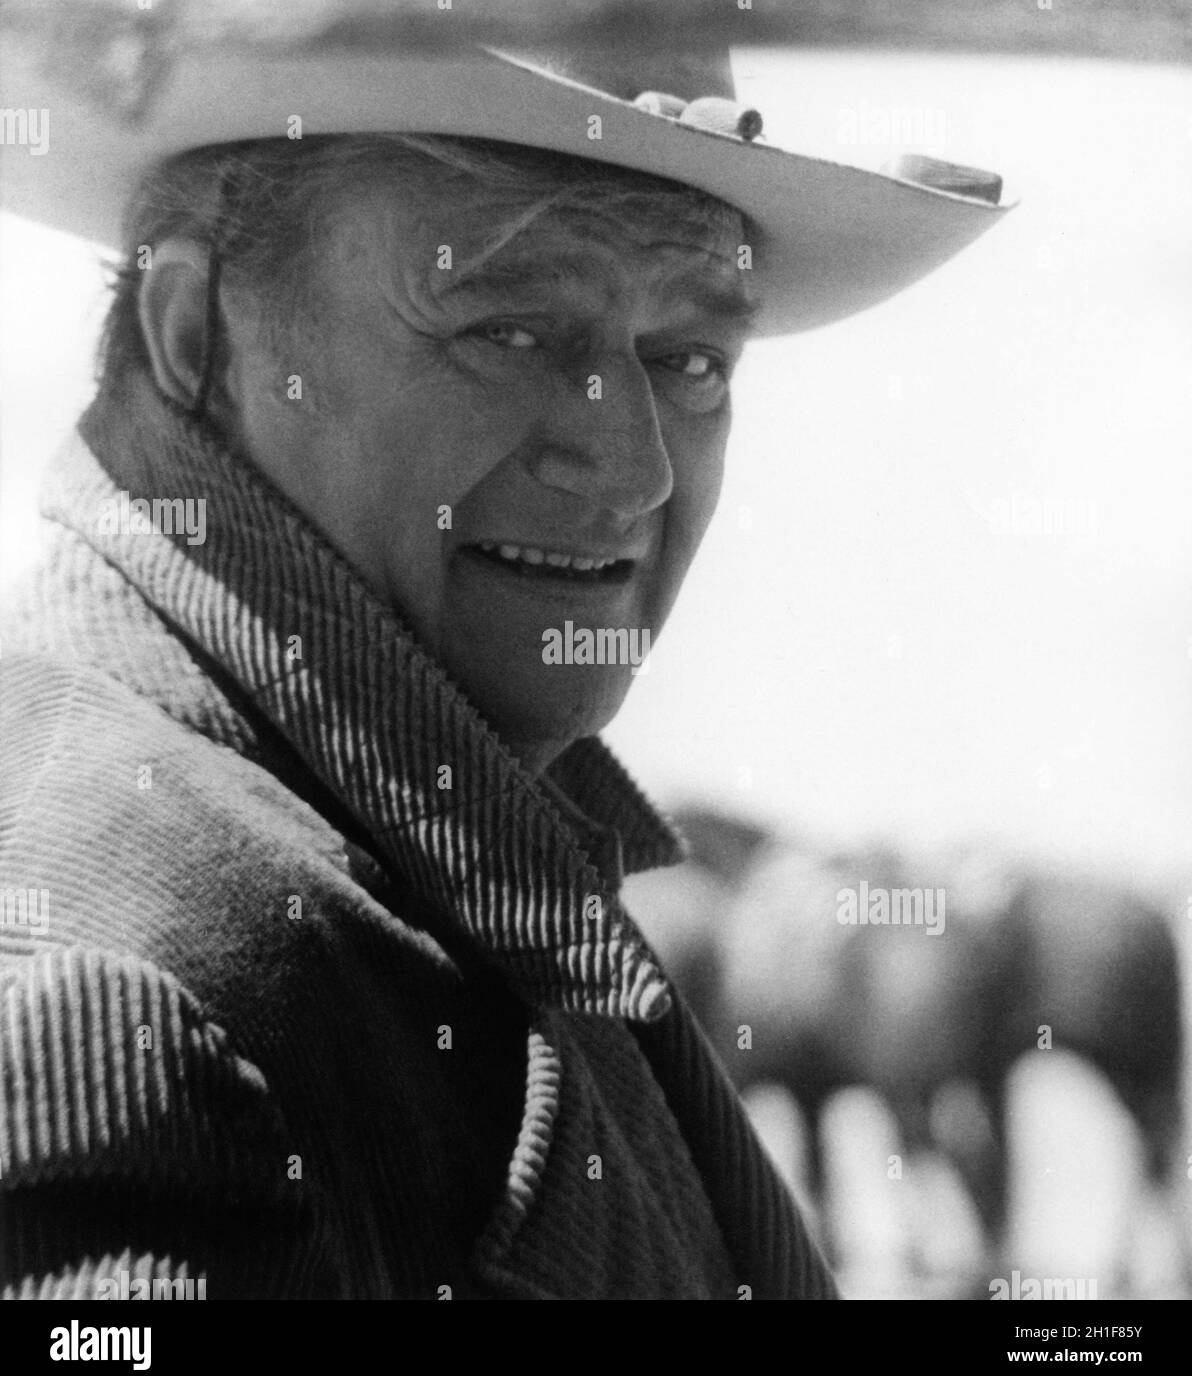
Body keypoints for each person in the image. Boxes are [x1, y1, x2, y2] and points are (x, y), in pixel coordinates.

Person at [0, 23, 1009, 1299]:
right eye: (513, 331)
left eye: (689, 359)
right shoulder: (101, 987)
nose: (636, 469)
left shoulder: (438, 840)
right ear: (193, 330)